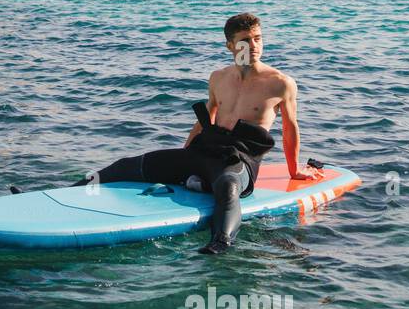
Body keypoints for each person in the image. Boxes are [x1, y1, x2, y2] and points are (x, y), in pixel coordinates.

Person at [72, 13, 322, 254]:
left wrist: (294, 171)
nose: (254, 45)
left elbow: (290, 129)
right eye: (245, 41)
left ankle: (220, 243)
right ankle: (72, 190)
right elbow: (204, 121)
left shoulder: (280, 83)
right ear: (230, 46)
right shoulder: (218, 78)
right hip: (206, 150)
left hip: (239, 161)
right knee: (126, 166)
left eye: (258, 38)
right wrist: (183, 159)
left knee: (227, 187)